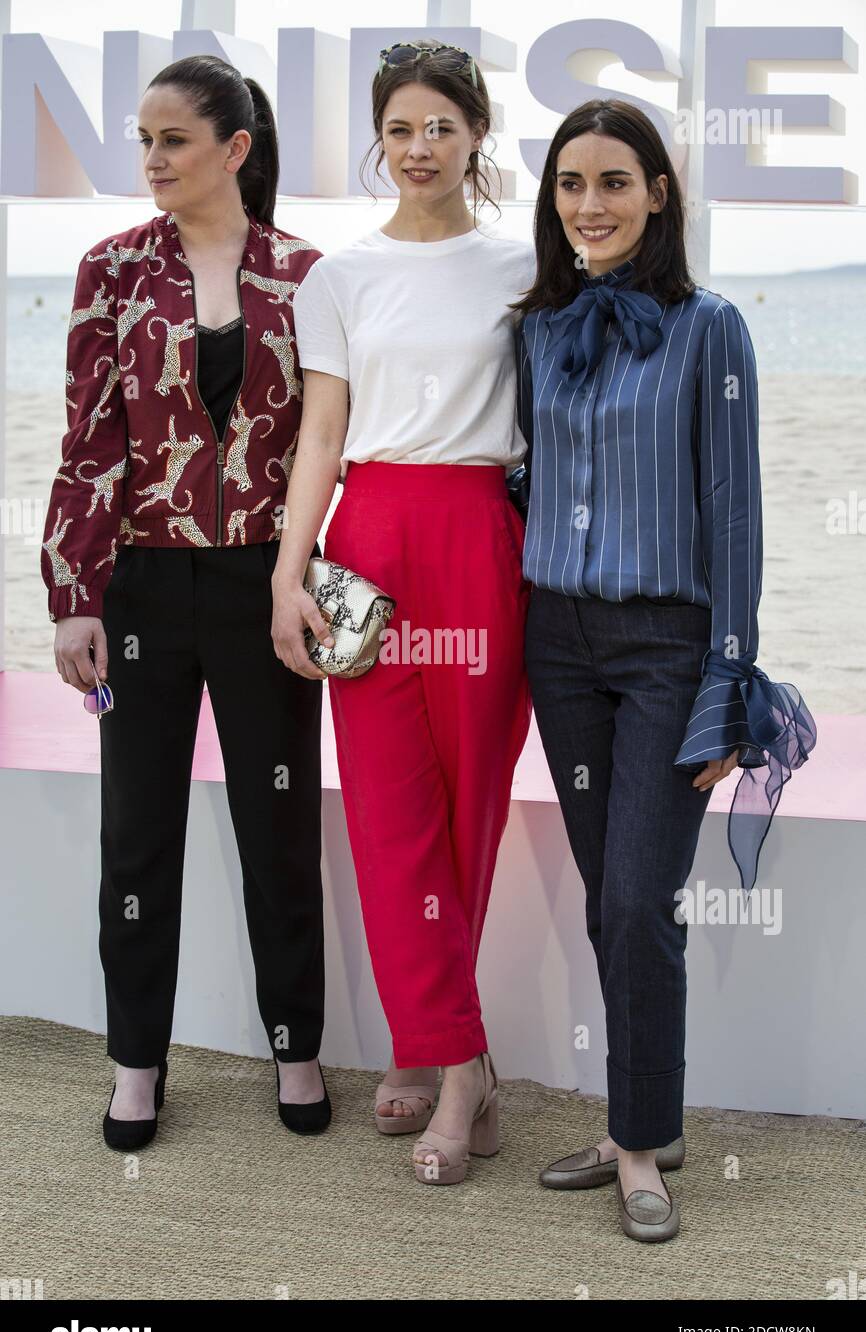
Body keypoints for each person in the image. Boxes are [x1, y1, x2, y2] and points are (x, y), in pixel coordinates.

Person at [515, 98, 816, 1240]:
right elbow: (521, 479)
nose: (588, 205)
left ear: (656, 196)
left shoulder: (710, 329)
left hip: (662, 653)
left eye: (612, 182)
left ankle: (636, 1147)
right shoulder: (537, 328)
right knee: (612, 901)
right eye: (568, 185)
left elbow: (731, 515)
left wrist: (724, 686)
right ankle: (647, 1114)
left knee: (639, 897)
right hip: (557, 644)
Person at [42, 55, 331, 1150]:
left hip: (266, 585)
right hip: (141, 591)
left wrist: (296, 576)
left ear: (236, 151)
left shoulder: (307, 275)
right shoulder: (109, 268)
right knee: (137, 833)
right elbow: (89, 439)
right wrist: (76, 595)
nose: (152, 159)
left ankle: (295, 1046)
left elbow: (322, 443)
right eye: (145, 140)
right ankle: (135, 1064)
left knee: (278, 820)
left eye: (172, 140)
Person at [274, 39, 535, 1185]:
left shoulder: (526, 267)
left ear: (475, 134)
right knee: (387, 812)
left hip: (479, 535)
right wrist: (288, 573)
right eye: (398, 129)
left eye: (439, 126)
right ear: (377, 142)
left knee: (471, 799)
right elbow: (320, 438)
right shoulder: (338, 277)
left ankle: (442, 1055)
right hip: (367, 541)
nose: (418, 148)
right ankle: (451, 1053)